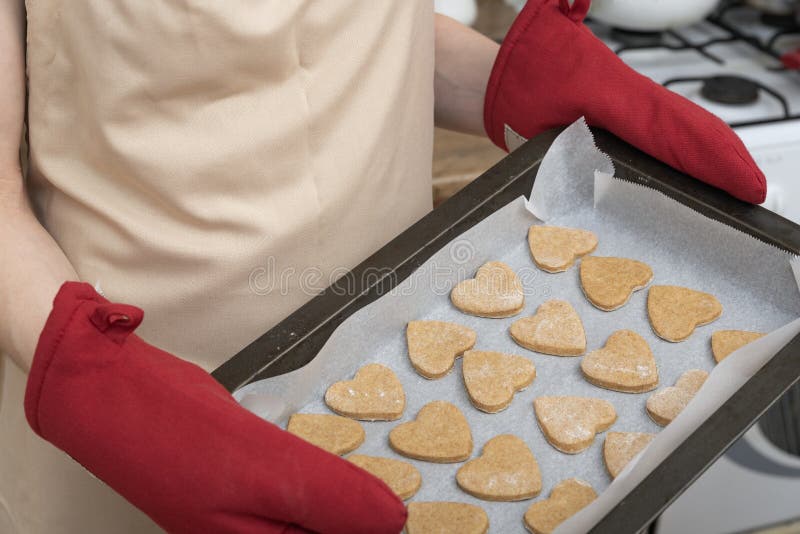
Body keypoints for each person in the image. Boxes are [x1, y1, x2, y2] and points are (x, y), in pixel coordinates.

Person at [0, 1, 765, 533]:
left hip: (413, 334)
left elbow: (344, 33)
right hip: (132, 394)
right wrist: (97, 392)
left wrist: (503, 77)